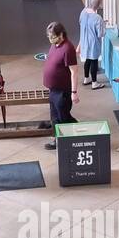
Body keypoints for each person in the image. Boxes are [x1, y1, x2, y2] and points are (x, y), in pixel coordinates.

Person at [42, 20, 79, 149]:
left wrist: (74, 93)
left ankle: (69, 141)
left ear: (61, 35)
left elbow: (74, 72)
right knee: (55, 117)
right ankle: (57, 141)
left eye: (52, 37)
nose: (50, 39)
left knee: (63, 117)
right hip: (53, 89)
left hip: (63, 91)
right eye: (49, 37)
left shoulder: (68, 48)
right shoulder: (54, 45)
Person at [78, 0, 105, 87]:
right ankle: (94, 83)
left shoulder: (83, 12)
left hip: (84, 41)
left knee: (87, 60)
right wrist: (103, 25)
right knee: (94, 61)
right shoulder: (98, 18)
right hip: (93, 43)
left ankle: (86, 78)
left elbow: (81, 23)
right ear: (98, 5)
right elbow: (100, 34)